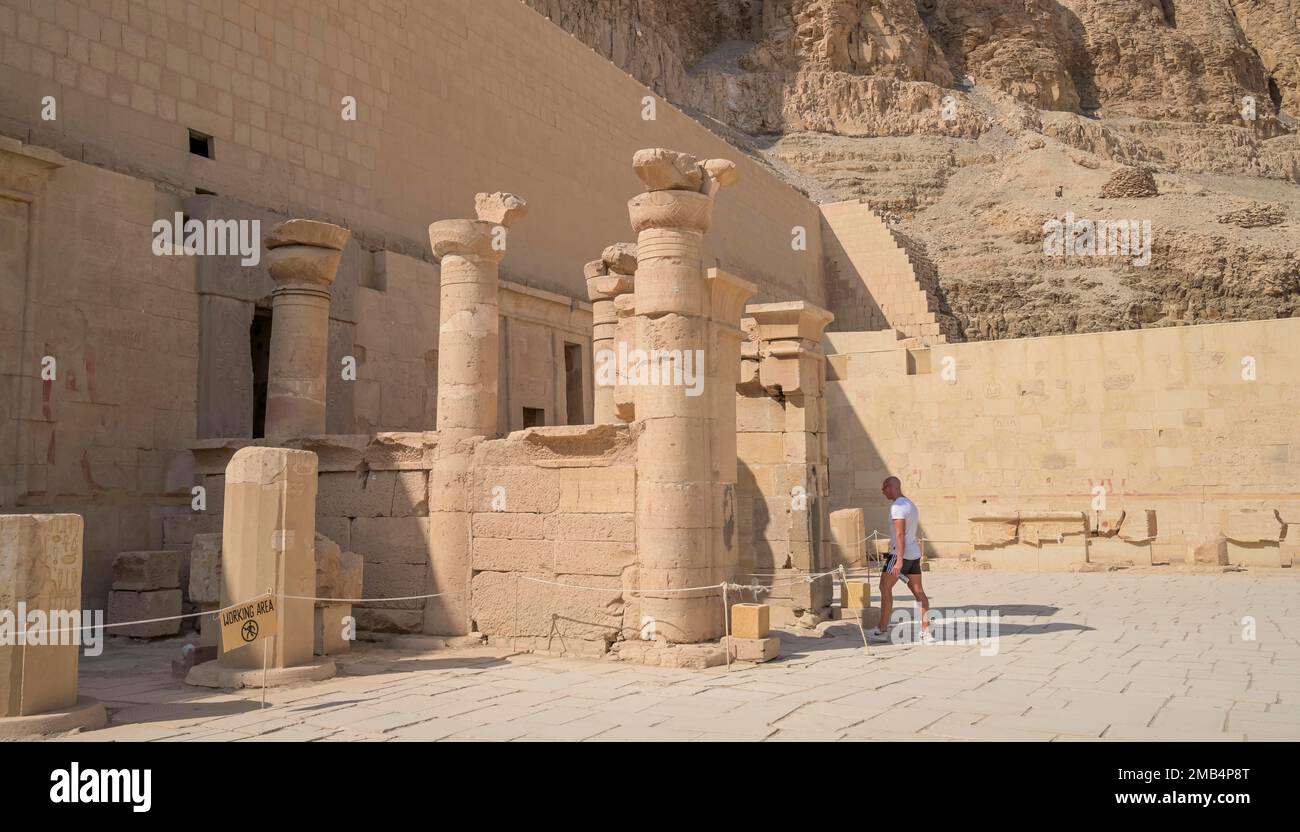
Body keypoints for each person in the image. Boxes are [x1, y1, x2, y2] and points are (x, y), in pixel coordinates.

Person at [866, 476, 932, 643]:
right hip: (914, 553)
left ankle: (881, 630)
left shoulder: (897, 507)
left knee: (884, 588)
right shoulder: (910, 504)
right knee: (918, 591)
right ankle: (926, 631)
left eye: (884, 488)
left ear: (891, 487)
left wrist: (899, 561)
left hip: (899, 555)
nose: (882, 492)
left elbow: (900, 534)